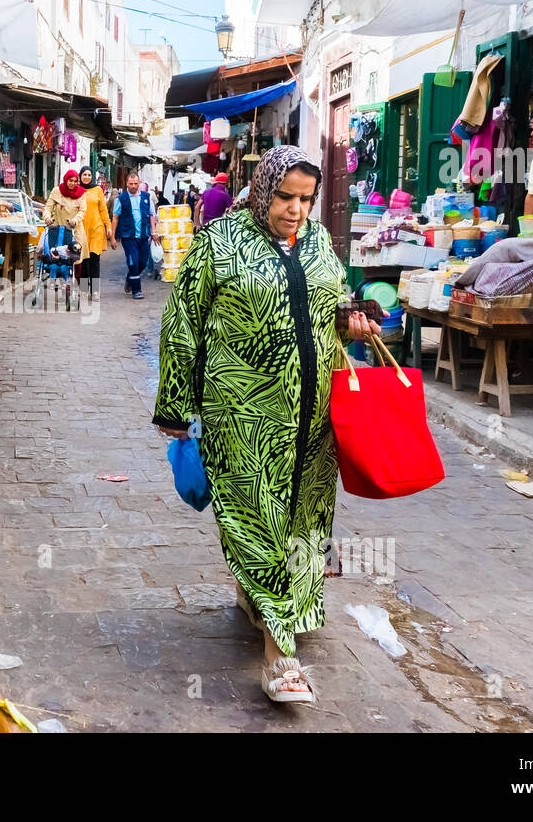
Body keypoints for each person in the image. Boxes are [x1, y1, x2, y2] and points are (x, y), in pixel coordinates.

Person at [153, 145, 379, 705]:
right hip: (243, 417)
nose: (297, 209)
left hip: (314, 417)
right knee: (257, 519)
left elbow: (326, 313)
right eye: (285, 196)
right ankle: (281, 660)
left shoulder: (322, 243)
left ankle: (266, 600)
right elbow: (181, 326)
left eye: (306, 199)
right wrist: (174, 407)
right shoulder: (219, 244)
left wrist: (352, 325)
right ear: (261, 190)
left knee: (303, 521)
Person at [114, 170, 155, 299]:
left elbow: (151, 215)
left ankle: (130, 278)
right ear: (126, 183)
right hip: (128, 236)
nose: (133, 186)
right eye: (130, 183)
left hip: (143, 235)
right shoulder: (121, 199)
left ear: (139, 183)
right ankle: (136, 290)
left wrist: (153, 232)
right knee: (133, 262)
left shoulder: (147, 198)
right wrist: (112, 237)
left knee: (142, 262)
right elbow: (115, 217)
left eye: (135, 183)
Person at [78, 166, 115, 301]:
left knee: (95, 260)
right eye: (84, 175)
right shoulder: (77, 190)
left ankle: (95, 291)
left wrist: (108, 226)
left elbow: (103, 210)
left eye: (89, 175)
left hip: (96, 229)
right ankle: (83, 290)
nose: (87, 177)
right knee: (84, 261)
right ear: (80, 176)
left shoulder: (98, 190)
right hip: (81, 230)